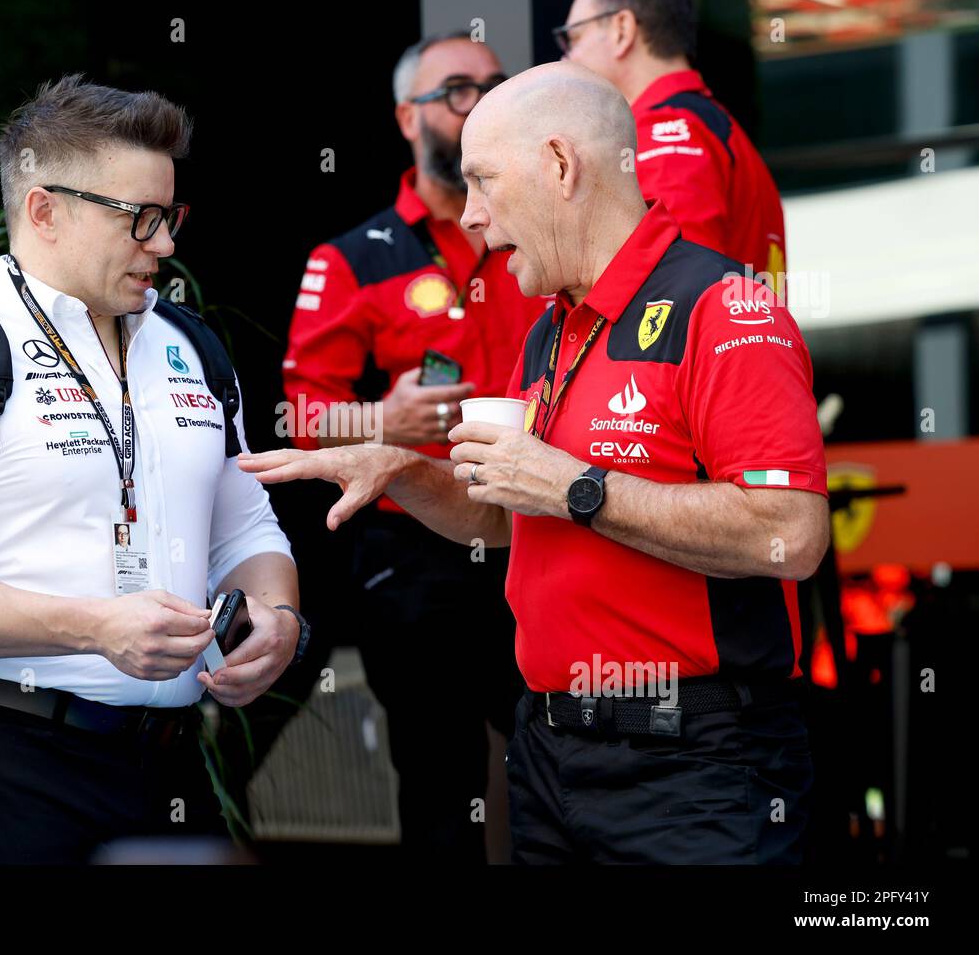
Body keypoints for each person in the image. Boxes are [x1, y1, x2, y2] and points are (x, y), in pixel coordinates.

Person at [242, 62, 828, 864]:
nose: (473, 215)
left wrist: (576, 485)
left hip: (696, 760)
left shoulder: (726, 308)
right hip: (551, 755)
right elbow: (506, 512)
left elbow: (790, 535)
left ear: (561, 165)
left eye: (484, 182)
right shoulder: (552, 328)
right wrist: (405, 469)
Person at [0, 75, 309, 864]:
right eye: (140, 219)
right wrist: (96, 626)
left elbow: (247, 527)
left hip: (168, 764)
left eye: (171, 217)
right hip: (9, 766)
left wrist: (278, 618)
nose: (164, 244)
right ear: (44, 210)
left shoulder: (192, 348)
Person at [281, 32, 547, 861]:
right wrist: (383, 421)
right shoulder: (352, 257)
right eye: (457, 89)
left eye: (494, 86)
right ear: (408, 117)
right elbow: (302, 418)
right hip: (416, 546)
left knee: (560, 761)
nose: (478, 101)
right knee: (440, 787)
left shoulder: (536, 228)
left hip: (543, 526)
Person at [556, 0, 787, 283]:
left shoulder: (665, 137)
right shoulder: (709, 128)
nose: (566, 58)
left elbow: (675, 292)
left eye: (574, 37)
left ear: (621, 30)